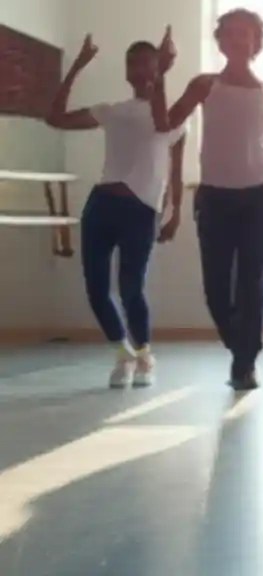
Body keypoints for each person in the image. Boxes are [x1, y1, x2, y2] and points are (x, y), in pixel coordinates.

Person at [168, 8, 263, 391]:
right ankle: (243, 345)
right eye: (228, 33)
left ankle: (244, 363)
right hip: (215, 197)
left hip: (261, 195)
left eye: (244, 33)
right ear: (220, 41)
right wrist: (162, 73)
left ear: (256, 41)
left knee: (252, 281)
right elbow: (167, 122)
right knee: (216, 287)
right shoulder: (204, 85)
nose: (236, 39)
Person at [44, 31, 186, 388]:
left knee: (131, 288)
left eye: (146, 62)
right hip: (101, 205)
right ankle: (123, 353)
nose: (138, 69)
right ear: (126, 72)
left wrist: (176, 213)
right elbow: (55, 118)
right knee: (95, 287)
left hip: (142, 209)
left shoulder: (174, 120)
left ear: (157, 68)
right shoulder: (112, 110)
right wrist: (77, 65)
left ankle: (144, 356)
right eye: (132, 63)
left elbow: (175, 169)